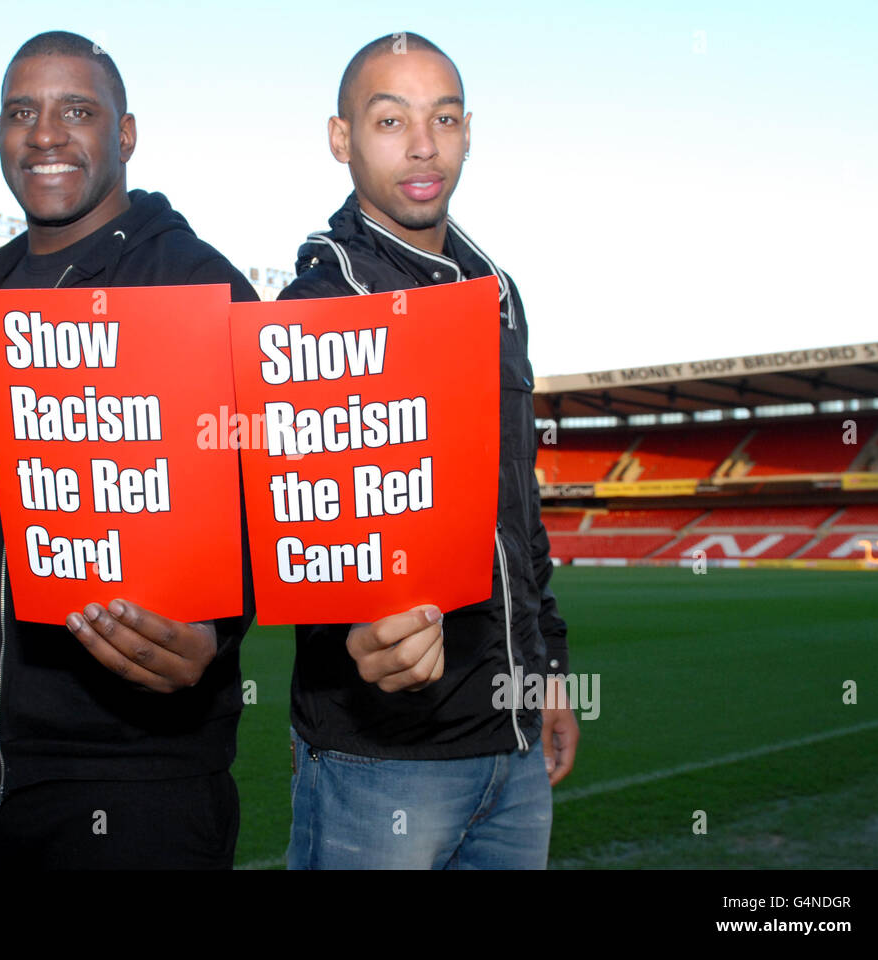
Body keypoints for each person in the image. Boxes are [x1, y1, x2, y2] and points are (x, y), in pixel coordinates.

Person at [0, 31, 257, 870]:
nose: (44, 134)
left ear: (124, 135)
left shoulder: (203, 288)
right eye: (22, 113)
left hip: (140, 780)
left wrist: (218, 634)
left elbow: (271, 502)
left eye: (76, 110)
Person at [277, 32, 578, 869]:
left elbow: (519, 510)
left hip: (514, 753)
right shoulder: (317, 302)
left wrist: (547, 673)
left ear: (469, 131)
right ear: (341, 139)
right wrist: (352, 622)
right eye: (389, 120)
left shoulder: (500, 294)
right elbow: (297, 528)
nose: (422, 145)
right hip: (382, 766)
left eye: (443, 119)